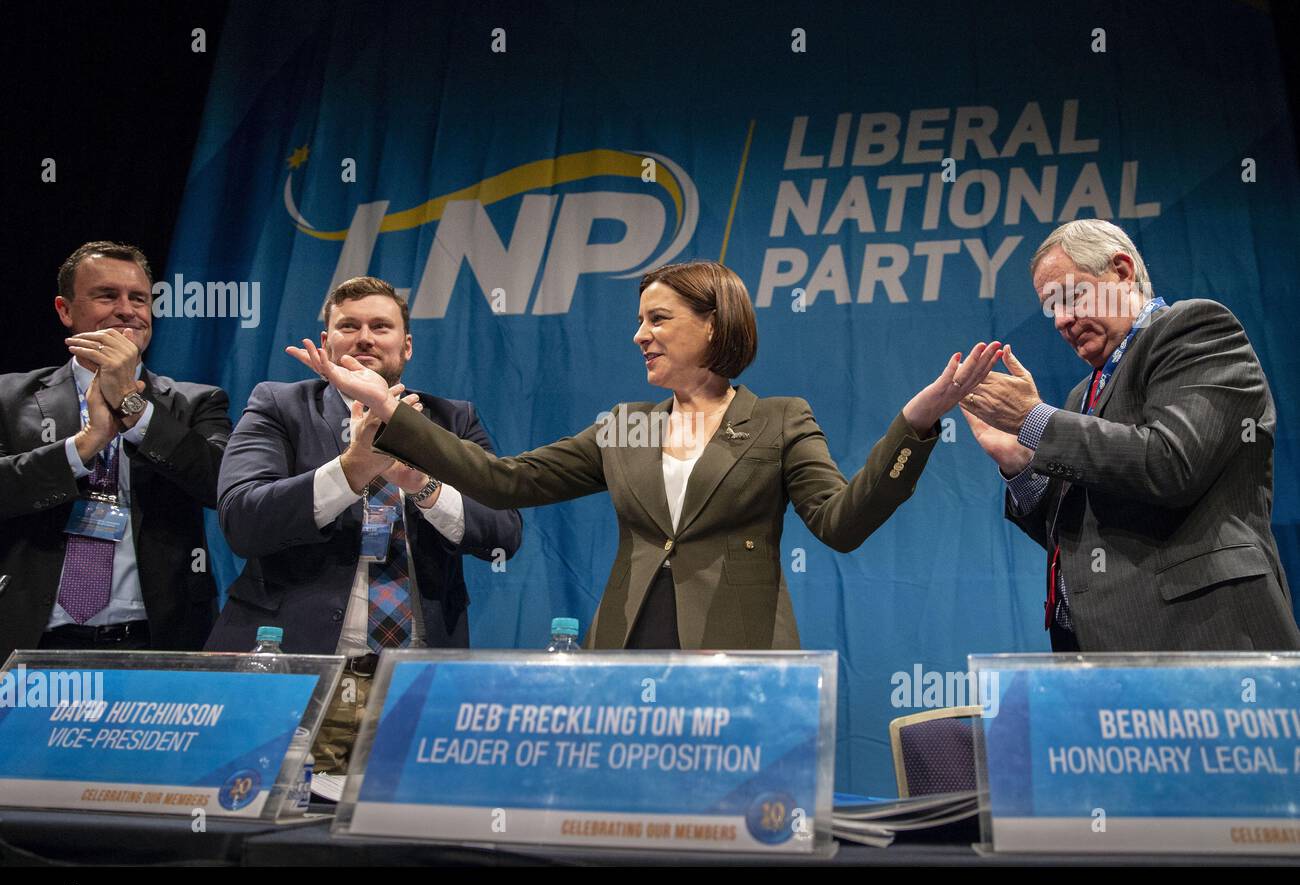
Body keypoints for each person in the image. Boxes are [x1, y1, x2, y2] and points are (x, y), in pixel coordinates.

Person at [289, 261, 1000, 650]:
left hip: (738, 658)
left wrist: (916, 424)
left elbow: (841, 523)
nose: (640, 335)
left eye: (658, 318)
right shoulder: (625, 427)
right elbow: (503, 484)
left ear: (714, 323)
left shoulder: (782, 422)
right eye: (638, 320)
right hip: (623, 653)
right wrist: (387, 413)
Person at [207, 276, 522, 771]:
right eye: (348, 326)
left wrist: (422, 483)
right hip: (298, 671)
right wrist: (353, 468)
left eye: (381, 326)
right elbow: (243, 521)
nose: (365, 338)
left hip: (416, 678)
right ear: (327, 339)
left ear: (407, 344)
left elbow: (503, 533)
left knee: (402, 836)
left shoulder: (453, 419)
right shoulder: (279, 405)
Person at [961, 219, 1299, 652]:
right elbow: (1079, 530)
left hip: (1203, 639)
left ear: (1121, 271)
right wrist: (1020, 460)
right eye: (1051, 308)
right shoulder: (1082, 394)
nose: (1062, 320)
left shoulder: (1196, 330)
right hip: (1107, 652)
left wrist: (1036, 421)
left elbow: (1169, 465)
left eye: (1072, 296)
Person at [0, 241, 231, 655]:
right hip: (29, 638)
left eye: (139, 298)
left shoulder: (197, 402)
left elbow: (220, 485)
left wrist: (134, 408)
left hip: (156, 639)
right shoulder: (9, 397)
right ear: (65, 310)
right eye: (107, 295)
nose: (128, 310)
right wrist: (85, 445)